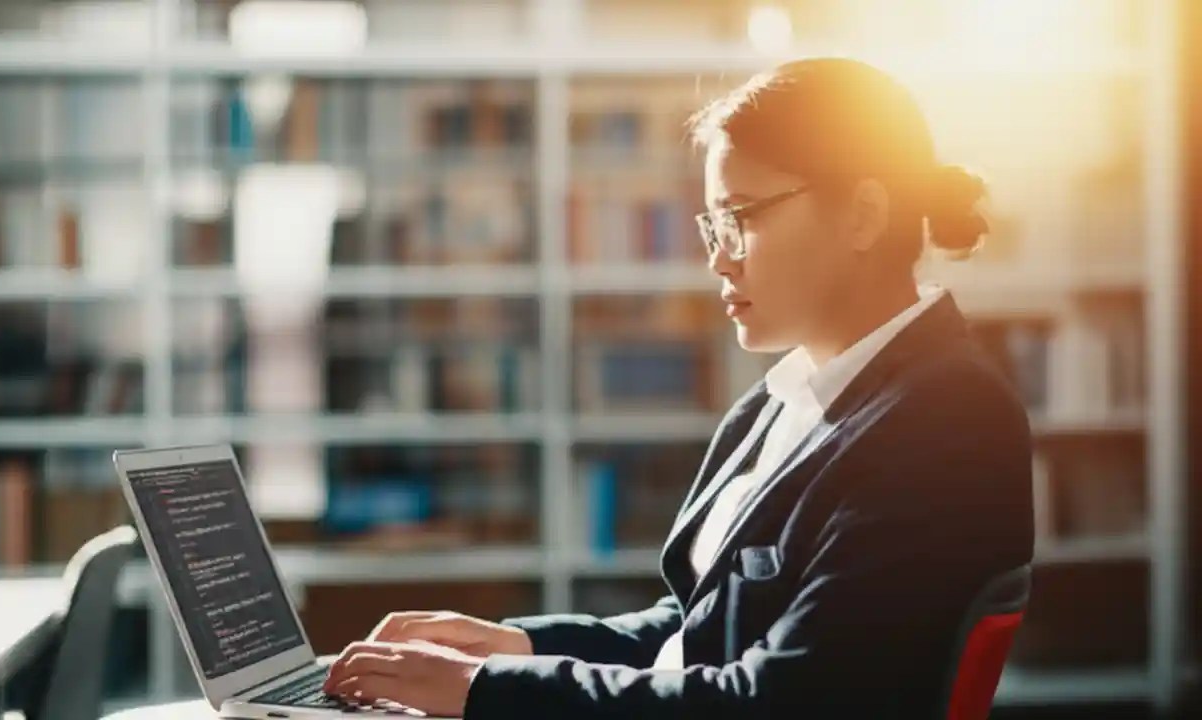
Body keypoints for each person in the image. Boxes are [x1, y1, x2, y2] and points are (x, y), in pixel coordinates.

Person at [322, 56, 1034, 719]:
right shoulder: (784, 401)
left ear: (863, 214)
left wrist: (489, 691)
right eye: (713, 224)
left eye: (742, 218)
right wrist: (518, 647)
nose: (718, 258)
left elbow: (785, 700)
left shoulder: (944, 419)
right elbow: (701, 630)